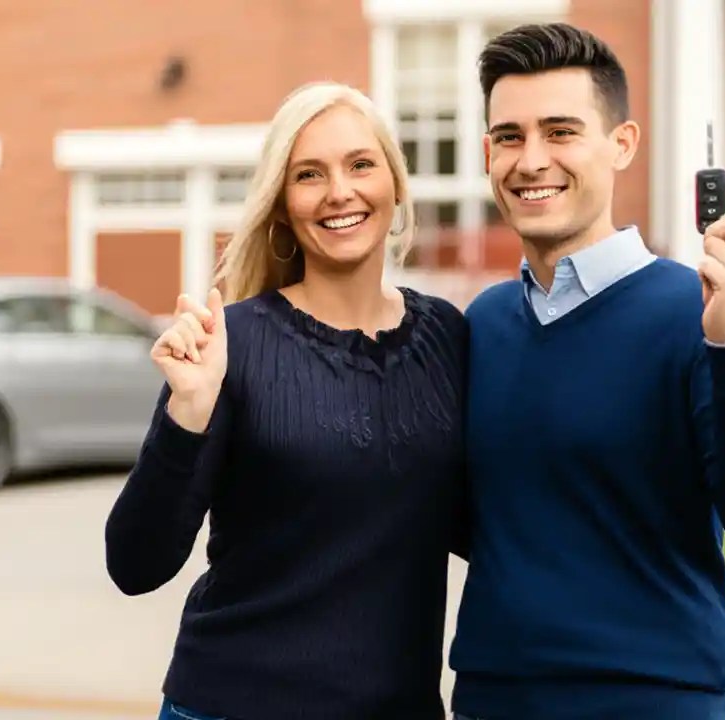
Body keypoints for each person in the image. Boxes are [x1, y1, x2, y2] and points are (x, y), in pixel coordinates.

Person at [448, 22, 725, 720]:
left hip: (654, 699)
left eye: (560, 131)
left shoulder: (698, 309)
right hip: (494, 697)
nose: (531, 160)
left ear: (622, 144)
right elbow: (472, 517)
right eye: (510, 136)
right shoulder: (482, 325)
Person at [103, 81, 469, 720]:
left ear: (396, 184)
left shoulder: (447, 335)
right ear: (281, 205)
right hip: (233, 702)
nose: (339, 192)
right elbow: (135, 564)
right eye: (309, 174)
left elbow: (480, 523)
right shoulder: (231, 343)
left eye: (360, 164)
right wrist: (187, 413)